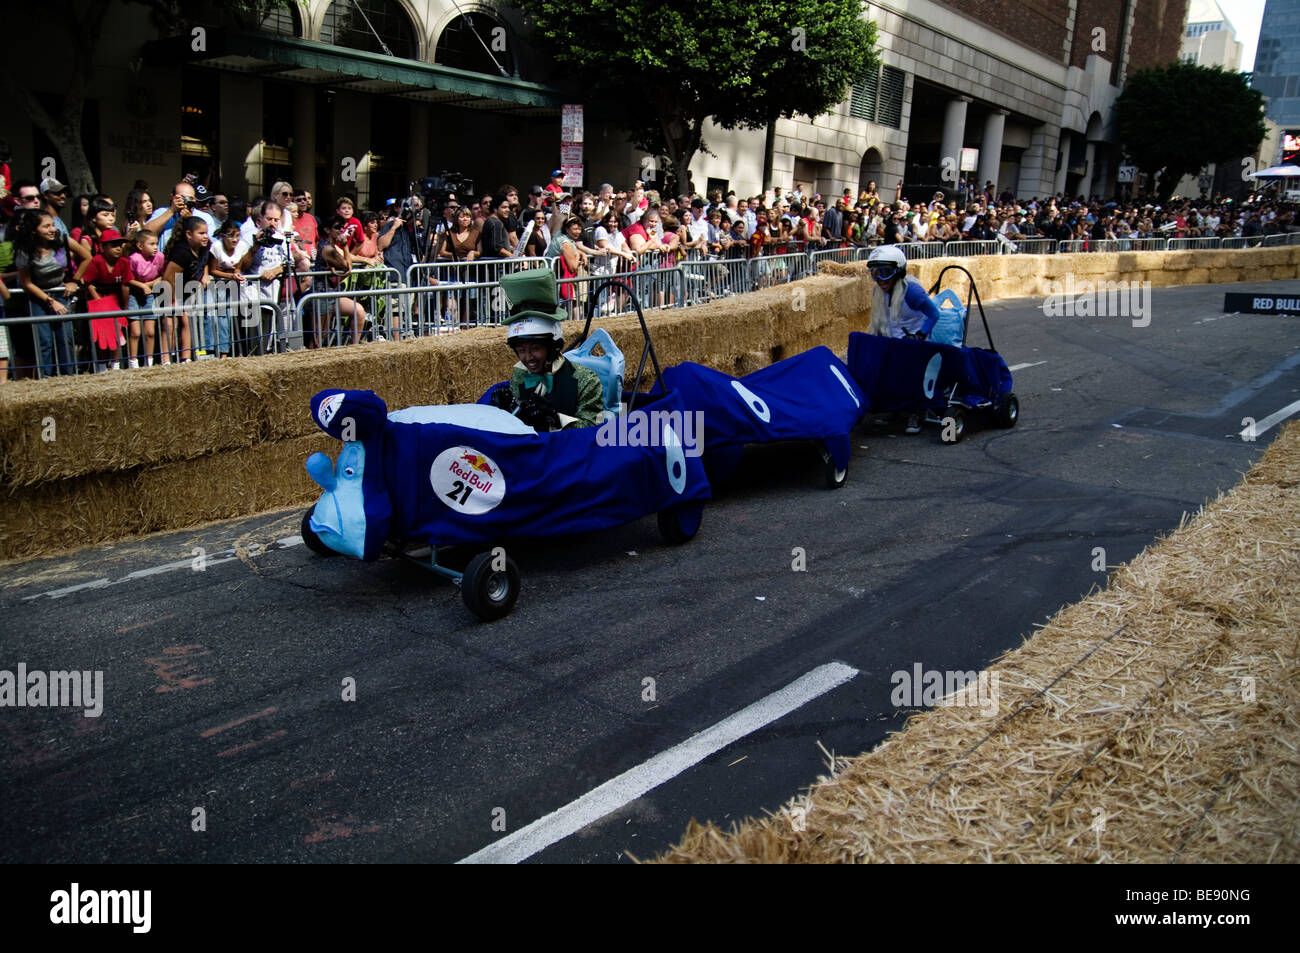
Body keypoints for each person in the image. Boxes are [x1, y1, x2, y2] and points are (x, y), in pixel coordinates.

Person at [488, 266, 602, 431]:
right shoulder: (519, 374)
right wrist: (506, 408)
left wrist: (553, 418)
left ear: (553, 347)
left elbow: (592, 431)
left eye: (535, 348)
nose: (527, 357)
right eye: (521, 350)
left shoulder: (586, 381)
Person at [866, 244, 942, 434]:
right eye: (875, 273)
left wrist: (921, 335)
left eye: (885, 272)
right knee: (882, 369)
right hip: (894, 342)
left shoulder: (912, 292)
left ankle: (915, 412)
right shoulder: (879, 292)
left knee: (910, 370)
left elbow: (934, 314)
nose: (880, 279)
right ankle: (894, 409)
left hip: (916, 344)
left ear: (898, 272)